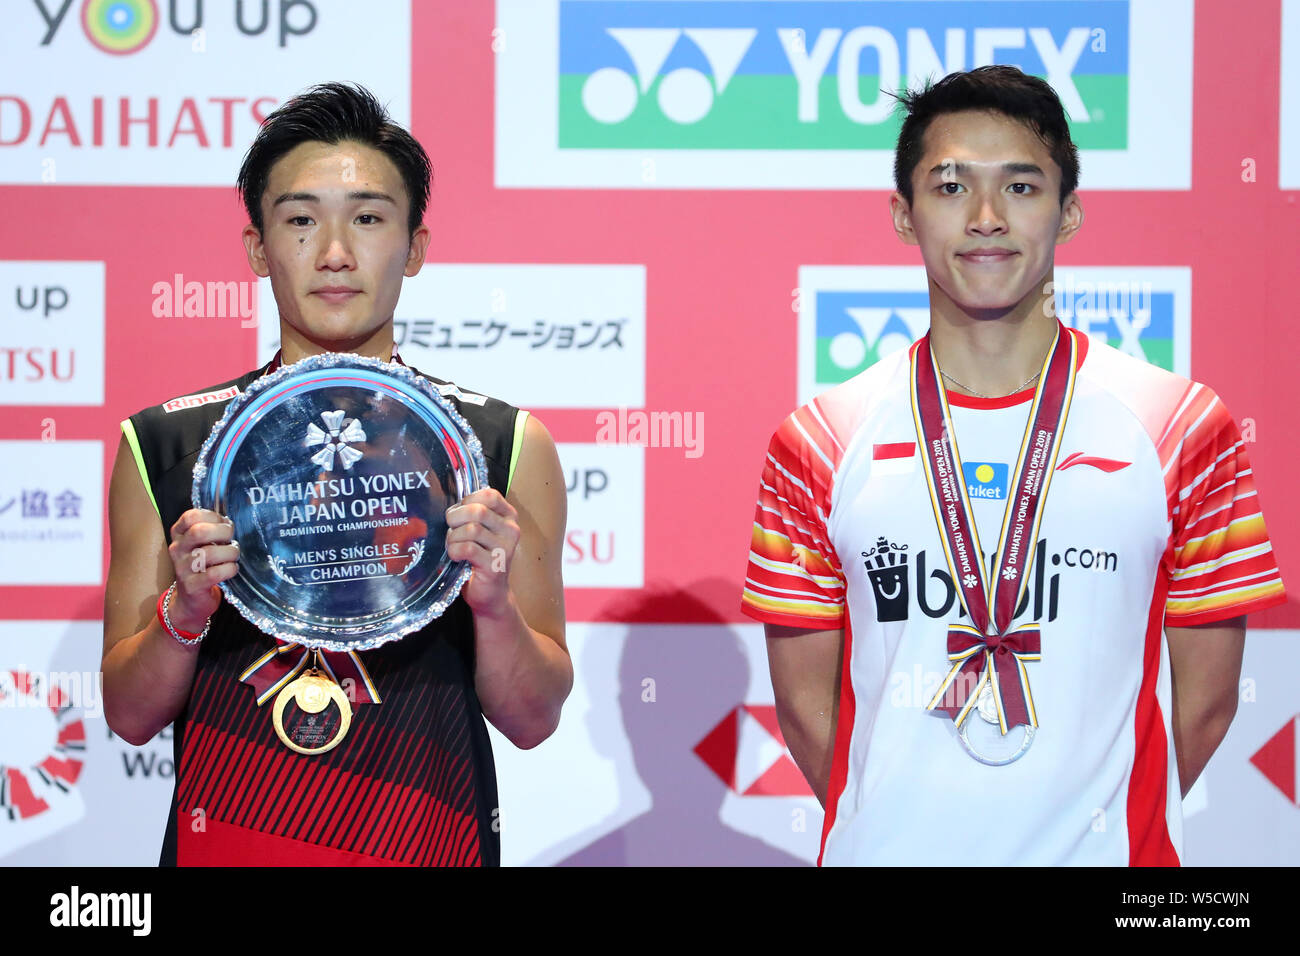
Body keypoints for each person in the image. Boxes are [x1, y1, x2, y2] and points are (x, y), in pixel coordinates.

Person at [740, 65, 1286, 866]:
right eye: (952, 187)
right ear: (904, 214)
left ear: (1068, 214)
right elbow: (804, 711)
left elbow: (1203, 708)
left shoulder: (1180, 425)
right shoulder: (819, 438)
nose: (988, 219)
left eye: (1022, 189)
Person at [101, 82, 572, 866]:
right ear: (258, 247)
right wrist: (184, 609)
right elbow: (127, 712)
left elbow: (532, 719)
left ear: (414, 246)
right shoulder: (167, 443)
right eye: (299, 219)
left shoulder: (499, 443)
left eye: (367, 217)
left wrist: (491, 604)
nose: (334, 253)